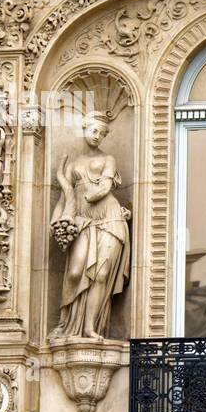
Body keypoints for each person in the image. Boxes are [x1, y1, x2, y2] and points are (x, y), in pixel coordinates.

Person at [49, 110, 130, 340]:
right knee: (75, 272)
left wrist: (85, 196)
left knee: (101, 274)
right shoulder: (74, 163)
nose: (96, 136)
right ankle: (67, 324)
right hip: (83, 221)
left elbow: (104, 188)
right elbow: (66, 198)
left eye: (101, 133)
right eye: (93, 130)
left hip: (109, 218)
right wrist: (57, 221)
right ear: (84, 129)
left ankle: (89, 327)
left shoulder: (108, 159)